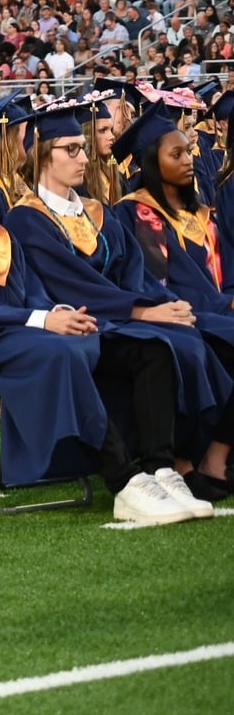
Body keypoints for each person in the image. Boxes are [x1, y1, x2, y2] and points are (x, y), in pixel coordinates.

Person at [0, 126, 209, 525]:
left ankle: (160, 469)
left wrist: (59, 313)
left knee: (146, 347)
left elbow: (31, 294)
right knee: (60, 351)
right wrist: (41, 319)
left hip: (18, 333)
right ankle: (124, 482)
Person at [5, 106, 228, 475]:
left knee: (201, 333)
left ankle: (201, 456)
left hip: (123, 314)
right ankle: (175, 462)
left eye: (83, 147)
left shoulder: (98, 210)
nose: (84, 157)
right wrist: (142, 311)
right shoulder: (26, 218)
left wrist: (169, 305)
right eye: (71, 149)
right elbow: (70, 284)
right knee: (178, 346)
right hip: (88, 322)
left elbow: (134, 274)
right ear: (43, 155)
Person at [115, 113, 234, 502]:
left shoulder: (200, 213)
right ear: (151, 160)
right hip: (184, 314)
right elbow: (158, 285)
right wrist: (221, 305)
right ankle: (205, 458)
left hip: (215, 311)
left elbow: (225, 273)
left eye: (189, 151)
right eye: (176, 153)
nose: (188, 160)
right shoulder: (138, 213)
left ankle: (218, 455)